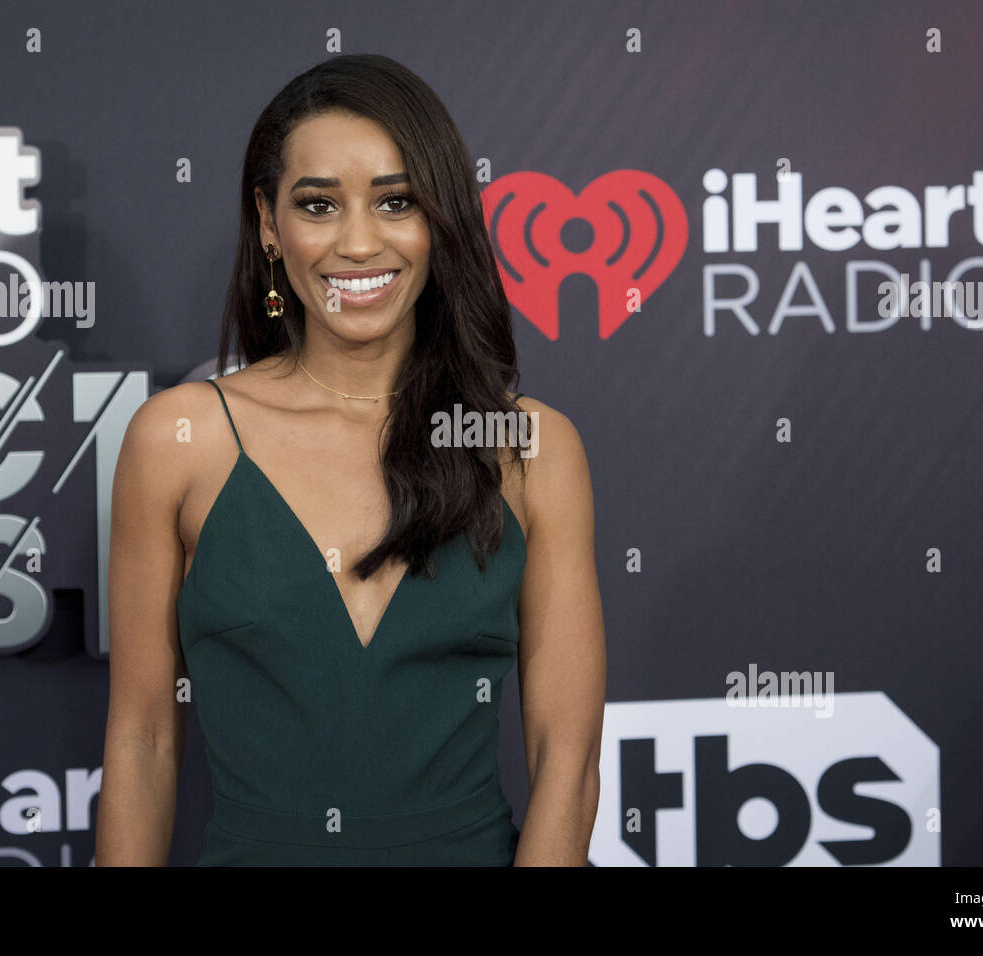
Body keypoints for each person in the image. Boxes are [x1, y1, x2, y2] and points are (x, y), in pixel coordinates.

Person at [97, 54, 605, 865]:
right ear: (269, 224)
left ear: (439, 220)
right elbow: (143, 740)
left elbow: (568, 763)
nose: (359, 242)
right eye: (318, 204)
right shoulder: (177, 440)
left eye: (396, 201)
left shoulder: (526, 448)